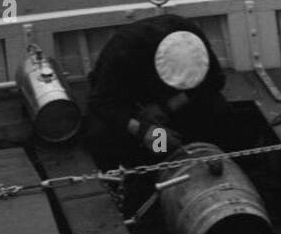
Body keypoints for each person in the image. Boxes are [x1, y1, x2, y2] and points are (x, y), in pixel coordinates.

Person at [85, 13, 239, 218]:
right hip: (128, 107)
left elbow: (214, 81)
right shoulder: (124, 51)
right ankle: (143, 180)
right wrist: (143, 129)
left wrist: (167, 107)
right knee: (101, 135)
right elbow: (101, 102)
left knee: (220, 111)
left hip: (169, 102)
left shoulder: (191, 38)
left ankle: (213, 164)